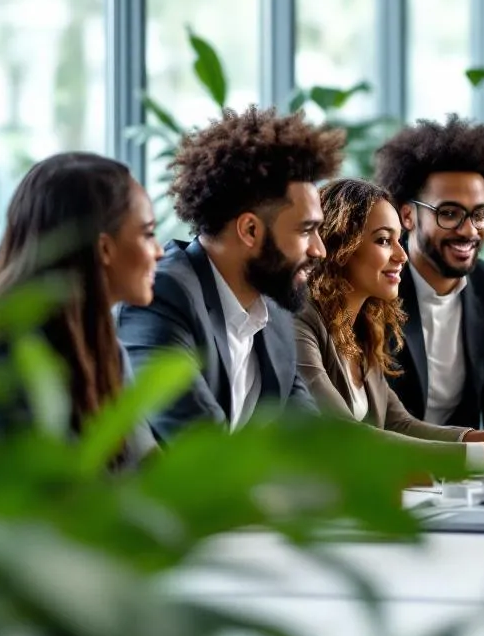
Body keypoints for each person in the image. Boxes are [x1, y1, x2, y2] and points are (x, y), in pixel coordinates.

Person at [295, 178, 484, 473]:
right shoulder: (300, 320)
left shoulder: (364, 328)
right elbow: (343, 435)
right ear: (340, 244)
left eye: (398, 239)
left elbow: (400, 423)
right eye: (384, 240)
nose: (401, 255)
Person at [117, 107, 344, 441]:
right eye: (305, 230)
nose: (319, 250)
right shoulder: (161, 297)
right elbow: (198, 448)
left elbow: (308, 441)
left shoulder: (275, 313)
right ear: (250, 230)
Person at [0, 152, 163, 468]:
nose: (159, 251)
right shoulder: (5, 361)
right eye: (147, 234)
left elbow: (153, 471)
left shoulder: (106, 351)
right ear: (104, 249)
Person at [372, 115, 484, 430]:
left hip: (463, 474)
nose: (468, 230)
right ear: (408, 216)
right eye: (449, 213)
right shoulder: (376, 285)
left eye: (479, 214)